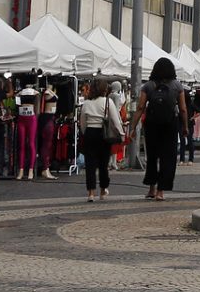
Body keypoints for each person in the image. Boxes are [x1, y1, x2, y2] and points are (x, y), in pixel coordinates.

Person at [134, 57, 184, 200]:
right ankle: (161, 191)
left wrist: (133, 127)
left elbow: (140, 107)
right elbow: (183, 109)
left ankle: (151, 189)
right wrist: (185, 126)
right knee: (167, 157)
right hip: (170, 125)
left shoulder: (148, 86)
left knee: (152, 156)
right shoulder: (177, 86)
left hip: (152, 125)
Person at [77, 80, 122, 201]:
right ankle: (103, 190)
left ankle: (91, 193)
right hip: (103, 134)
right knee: (103, 164)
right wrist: (121, 134)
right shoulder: (108, 101)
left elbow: (82, 122)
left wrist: (85, 132)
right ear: (104, 89)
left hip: (90, 133)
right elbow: (115, 119)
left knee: (90, 164)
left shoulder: (86, 103)